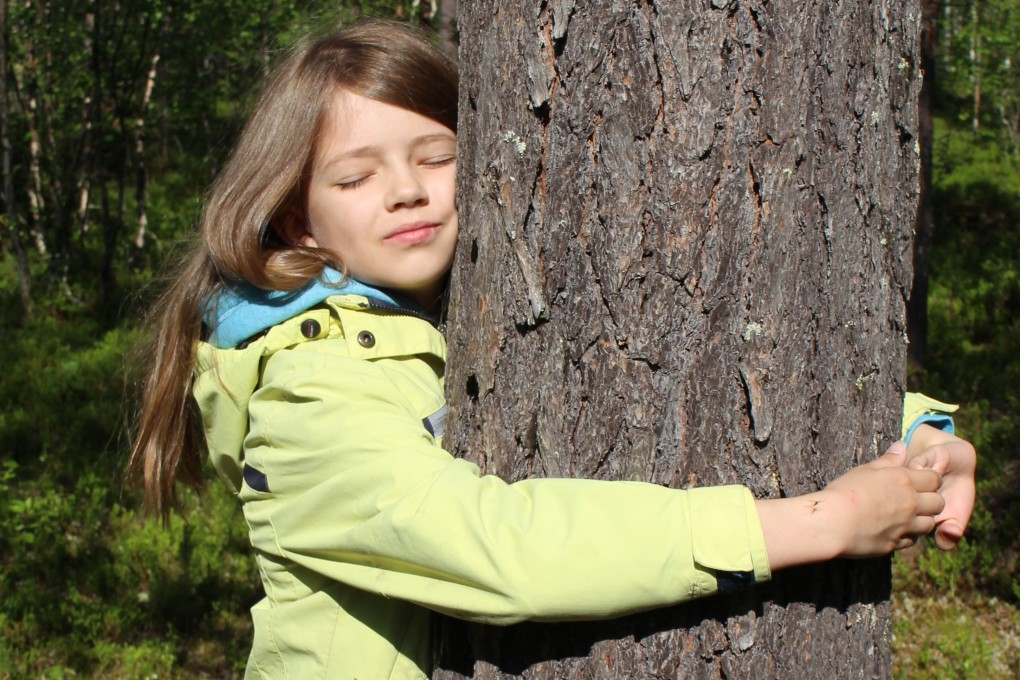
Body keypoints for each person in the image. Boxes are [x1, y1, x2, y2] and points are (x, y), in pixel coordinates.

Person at [128, 20, 976, 680]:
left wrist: (916, 441)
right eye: (355, 177)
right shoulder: (309, 392)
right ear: (297, 220)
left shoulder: (440, 319)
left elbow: (765, 374)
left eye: (438, 156)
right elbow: (501, 549)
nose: (408, 190)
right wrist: (819, 524)